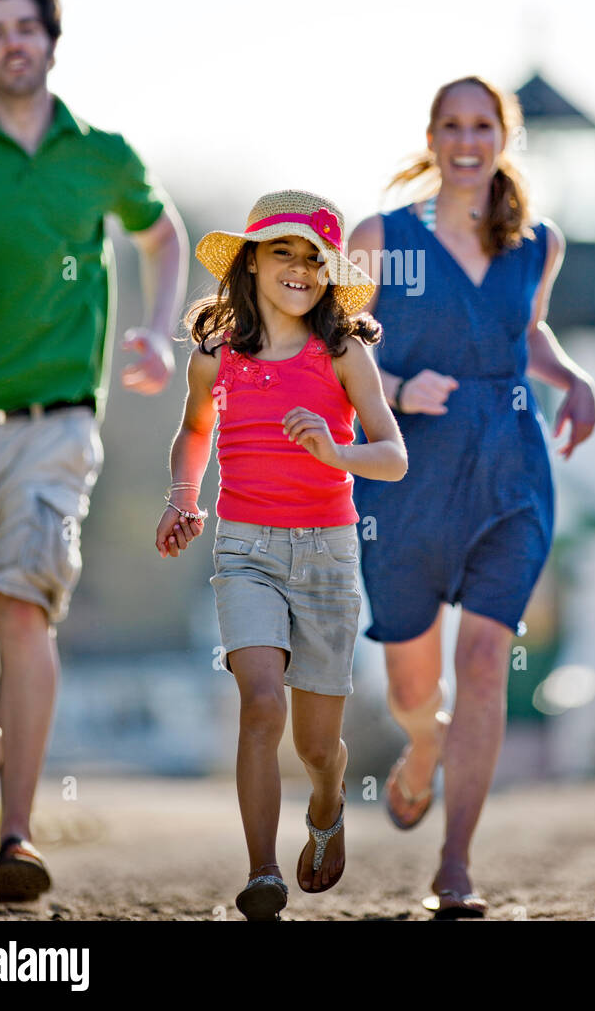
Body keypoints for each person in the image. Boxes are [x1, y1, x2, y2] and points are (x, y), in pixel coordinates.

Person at [0, 0, 188, 900]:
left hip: (60, 423)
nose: (13, 43)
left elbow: (162, 236)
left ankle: (23, 836)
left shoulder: (103, 155)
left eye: (26, 27)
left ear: (51, 38)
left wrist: (160, 330)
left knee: (23, 606)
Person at [348, 75, 595, 919]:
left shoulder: (540, 242)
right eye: (450, 125)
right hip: (405, 478)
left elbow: (527, 330)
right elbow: (330, 353)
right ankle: (423, 750)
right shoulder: (378, 236)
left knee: (486, 658)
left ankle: (455, 865)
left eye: (482, 125)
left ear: (504, 133)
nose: (466, 140)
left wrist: (571, 375)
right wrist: (395, 382)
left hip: (510, 472)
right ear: (431, 135)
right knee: (415, 692)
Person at [155, 189, 407, 921]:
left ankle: (327, 806)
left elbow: (393, 456)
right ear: (252, 262)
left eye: (312, 257)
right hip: (245, 549)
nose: (297, 268)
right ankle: (263, 872)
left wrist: (337, 451)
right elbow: (194, 433)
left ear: (329, 274)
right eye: (282, 252)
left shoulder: (344, 353)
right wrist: (182, 496)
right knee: (260, 703)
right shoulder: (217, 355)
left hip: (328, 554)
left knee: (319, 747)